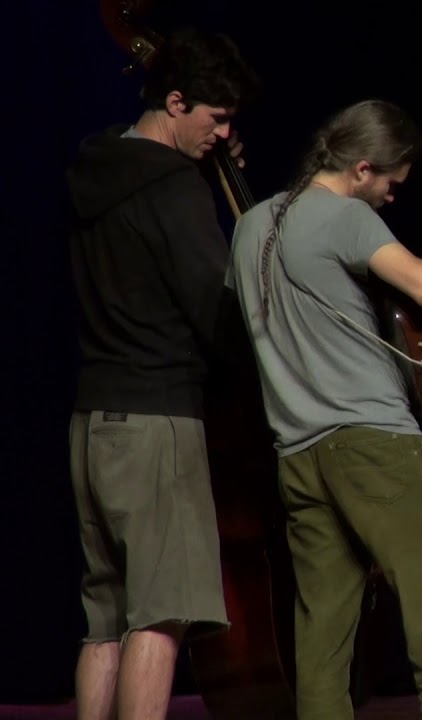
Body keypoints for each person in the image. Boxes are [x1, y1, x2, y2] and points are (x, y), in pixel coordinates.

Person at [225, 99, 422, 719]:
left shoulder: (250, 226)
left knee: (322, 643)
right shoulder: (347, 218)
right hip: (376, 447)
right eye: (391, 183)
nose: (392, 197)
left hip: (298, 455)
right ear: (362, 168)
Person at [64, 27, 260, 720]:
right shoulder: (175, 188)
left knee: (105, 622)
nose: (224, 132)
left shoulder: (96, 169)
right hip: (156, 421)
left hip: (92, 422)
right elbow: (215, 307)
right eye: (216, 117)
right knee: (163, 613)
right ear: (176, 102)